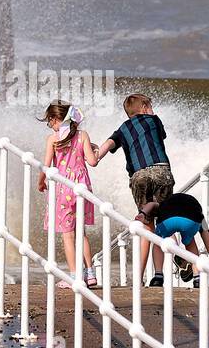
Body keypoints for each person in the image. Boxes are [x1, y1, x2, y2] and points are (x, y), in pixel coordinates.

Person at [92, 93, 173, 285]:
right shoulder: (154, 120)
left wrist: (91, 149)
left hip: (139, 177)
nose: (153, 110)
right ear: (144, 107)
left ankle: (139, 277)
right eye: (151, 106)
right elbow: (160, 138)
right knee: (163, 222)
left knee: (147, 225)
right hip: (161, 171)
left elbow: (97, 156)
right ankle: (160, 273)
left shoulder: (122, 129)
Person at [36, 101, 98, 289]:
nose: (50, 125)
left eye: (50, 121)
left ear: (55, 119)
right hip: (82, 187)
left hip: (64, 189)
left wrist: (40, 181)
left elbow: (46, 165)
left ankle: (74, 277)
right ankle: (90, 273)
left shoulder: (53, 139)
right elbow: (93, 162)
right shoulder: (82, 135)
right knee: (81, 233)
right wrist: (94, 148)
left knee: (68, 235)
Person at [135, 192, 209, 289]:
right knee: (190, 242)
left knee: (158, 241)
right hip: (190, 221)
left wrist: (143, 213)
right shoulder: (201, 217)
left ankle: (158, 276)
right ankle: (197, 278)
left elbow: (151, 205)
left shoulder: (164, 203)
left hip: (167, 218)